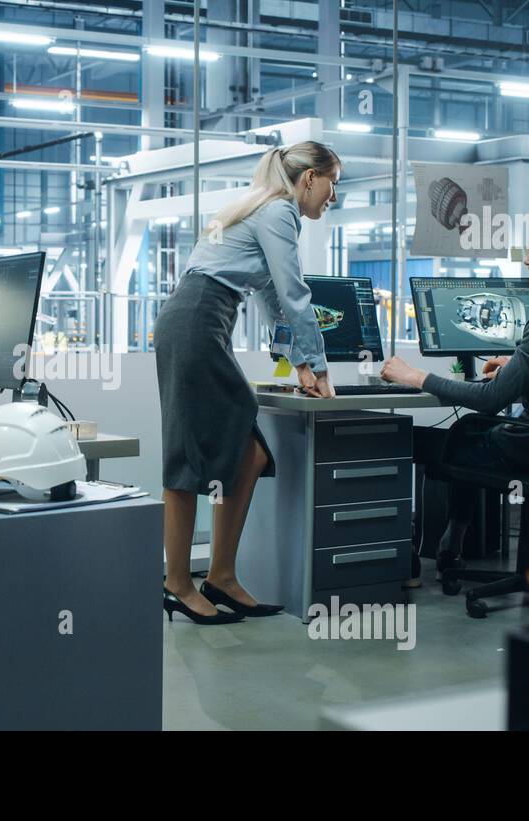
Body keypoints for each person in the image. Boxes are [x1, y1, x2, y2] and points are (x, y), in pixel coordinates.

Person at [380, 212, 529, 585]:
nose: (527, 259)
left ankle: (424, 553)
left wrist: (415, 377)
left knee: (441, 441)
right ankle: (450, 547)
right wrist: (520, 366)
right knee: (472, 432)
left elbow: (491, 399)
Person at [155, 141, 340, 624]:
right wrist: (319, 366)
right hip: (198, 321)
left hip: (200, 320)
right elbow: (295, 295)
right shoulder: (280, 212)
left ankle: (221, 576)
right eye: (333, 183)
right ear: (310, 178)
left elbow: (271, 300)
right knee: (187, 454)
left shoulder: (261, 209)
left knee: (250, 454)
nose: (333, 196)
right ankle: (177, 583)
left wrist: (297, 361)